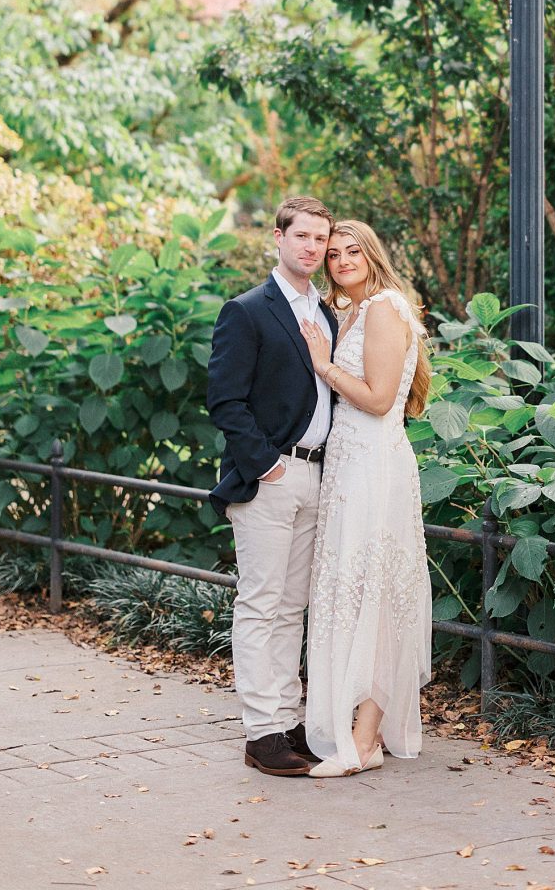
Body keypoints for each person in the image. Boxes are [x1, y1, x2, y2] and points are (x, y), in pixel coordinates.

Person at [206, 195, 337, 778]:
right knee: (260, 605)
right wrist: (267, 466)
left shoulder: (329, 313)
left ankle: (286, 723)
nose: (312, 247)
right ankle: (261, 733)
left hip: (318, 473)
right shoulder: (248, 310)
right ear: (278, 239)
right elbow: (225, 401)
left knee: (292, 608)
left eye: (320, 240)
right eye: (302, 236)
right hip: (270, 479)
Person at [299, 219, 433, 777]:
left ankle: (364, 739)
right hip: (347, 468)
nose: (342, 261)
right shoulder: (350, 311)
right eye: (333, 255)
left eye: (353, 251)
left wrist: (324, 366)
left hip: (375, 464)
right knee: (352, 592)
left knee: (376, 596)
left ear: (372, 255)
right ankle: (360, 731)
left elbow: (380, 400)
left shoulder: (383, 307)